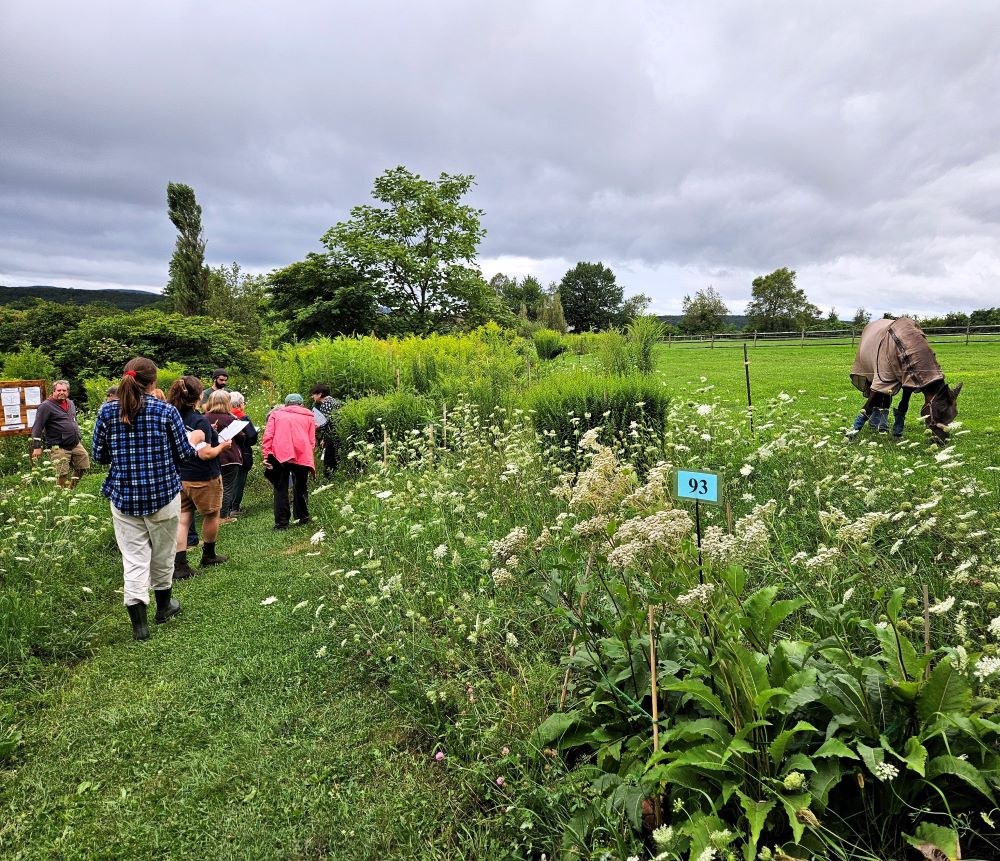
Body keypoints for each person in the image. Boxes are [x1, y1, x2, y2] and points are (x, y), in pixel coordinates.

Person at [91, 357, 203, 641]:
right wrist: (194, 443)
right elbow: (184, 454)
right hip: (162, 494)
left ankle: (139, 626)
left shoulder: (106, 413)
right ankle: (164, 607)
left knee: (133, 559)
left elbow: (99, 456)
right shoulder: (165, 411)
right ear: (153, 382)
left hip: (123, 496)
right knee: (163, 554)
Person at [168, 376, 233, 578]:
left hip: (179, 475)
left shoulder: (171, 416)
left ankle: (180, 564)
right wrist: (222, 446)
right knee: (212, 514)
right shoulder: (198, 420)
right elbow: (205, 454)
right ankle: (208, 555)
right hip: (203, 476)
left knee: (183, 519)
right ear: (198, 396)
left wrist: (209, 433)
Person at [261, 393, 315, 530]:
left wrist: (266, 455)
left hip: (280, 454)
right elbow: (311, 441)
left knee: (280, 488)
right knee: (301, 486)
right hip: (302, 454)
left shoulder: (276, 415)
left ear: (286, 405)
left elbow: (268, 436)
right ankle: (302, 516)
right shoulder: (309, 416)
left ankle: (281, 523)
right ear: (301, 404)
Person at [30, 379, 90, 488]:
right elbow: (37, 427)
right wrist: (37, 447)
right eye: (58, 390)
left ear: (68, 392)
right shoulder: (46, 406)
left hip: (75, 443)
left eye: (64, 390)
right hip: (59, 446)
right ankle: (61, 494)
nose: (61, 392)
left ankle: (71, 489)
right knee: (62, 474)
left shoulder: (70, 403)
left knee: (83, 466)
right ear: (53, 391)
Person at [203, 390, 245, 523]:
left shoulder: (204, 418)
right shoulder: (231, 418)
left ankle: (210, 513)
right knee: (227, 487)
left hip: (211, 456)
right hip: (229, 456)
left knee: (213, 486)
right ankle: (222, 516)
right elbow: (241, 437)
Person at [228, 391, 258, 515]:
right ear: (240, 404)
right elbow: (252, 438)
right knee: (239, 481)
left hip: (225, 454)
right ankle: (234, 507)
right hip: (242, 453)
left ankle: (225, 507)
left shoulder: (223, 416)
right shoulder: (242, 417)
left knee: (227, 482)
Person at [309, 383, 342, 478]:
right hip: (337, 432)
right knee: (335, 456)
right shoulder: (335, 401)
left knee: (329, 458)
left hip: (331, 434)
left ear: (320, 394)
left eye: (313, 394)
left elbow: (325, 423)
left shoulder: (325, 404)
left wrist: (317, 429)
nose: (312, 397)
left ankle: (330, 478)